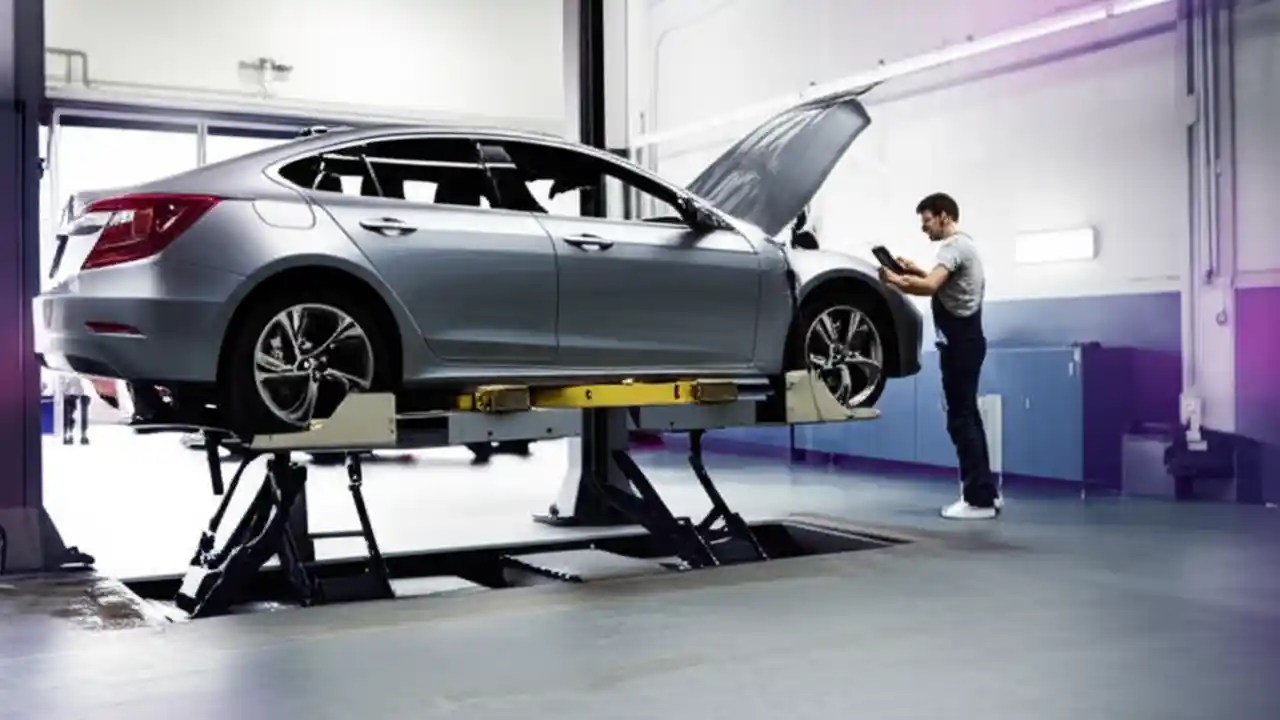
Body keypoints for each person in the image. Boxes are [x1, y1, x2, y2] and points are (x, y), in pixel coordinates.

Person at [878, 192, 1000, 519]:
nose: (924, 228)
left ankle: (977, 501)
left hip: (960, 346)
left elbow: (931, 287)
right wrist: (914, 270)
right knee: (969, 416)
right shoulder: (964, 247)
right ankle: (986, 491)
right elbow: (943, 283)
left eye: (927, 220)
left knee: (960, 419)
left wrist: (895, 282)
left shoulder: (953, 247)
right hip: (968, 342)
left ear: (944, 216)